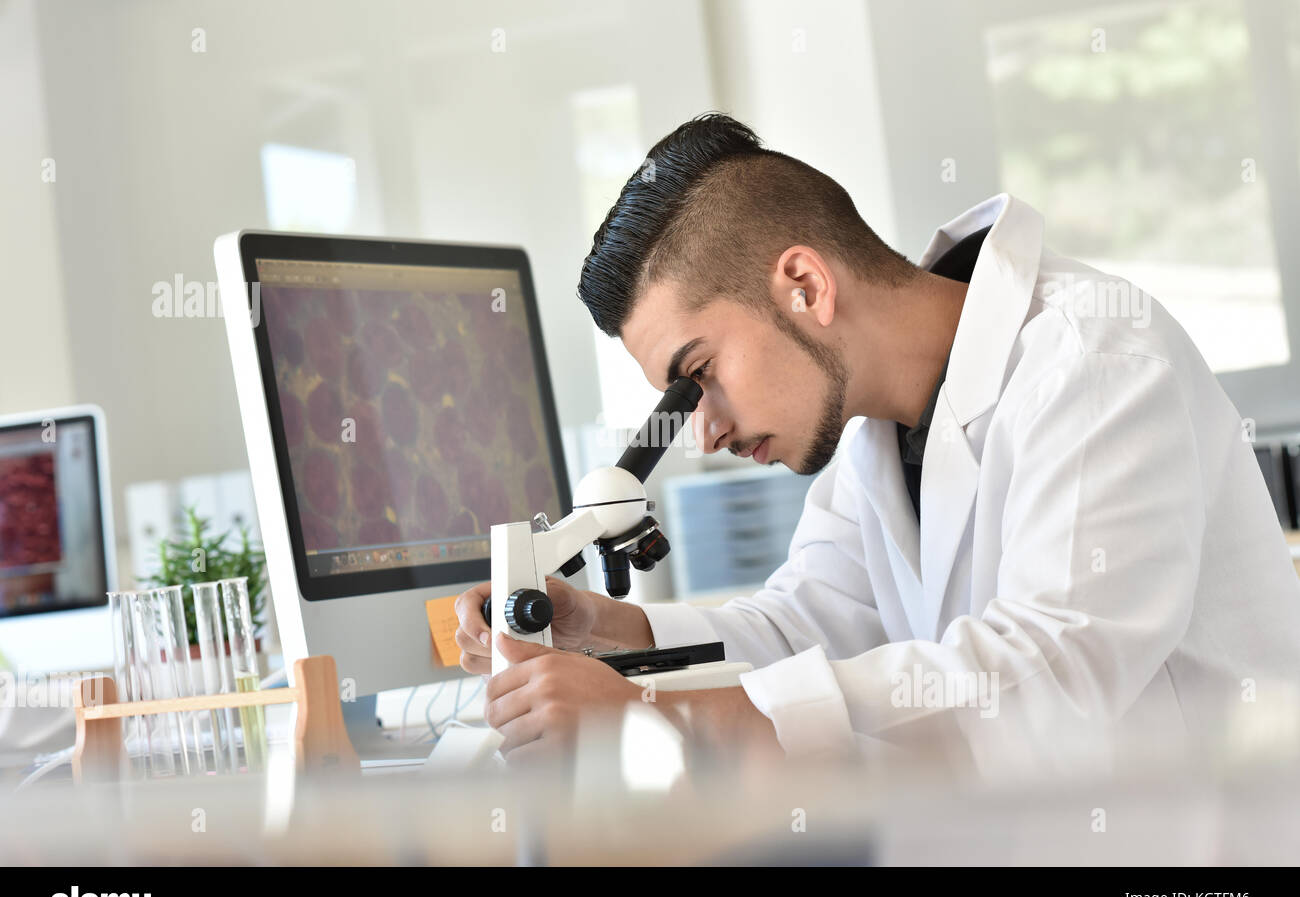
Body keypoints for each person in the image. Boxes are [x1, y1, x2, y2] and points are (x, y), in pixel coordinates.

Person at [454, 113, 1300, 774]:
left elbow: (1051, 673)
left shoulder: (1094, 364)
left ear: (804, 284)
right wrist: (609, 631)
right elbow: (806, 625)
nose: (702, 429)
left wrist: (660, 718)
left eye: (700, 372)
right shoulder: (879, 434)